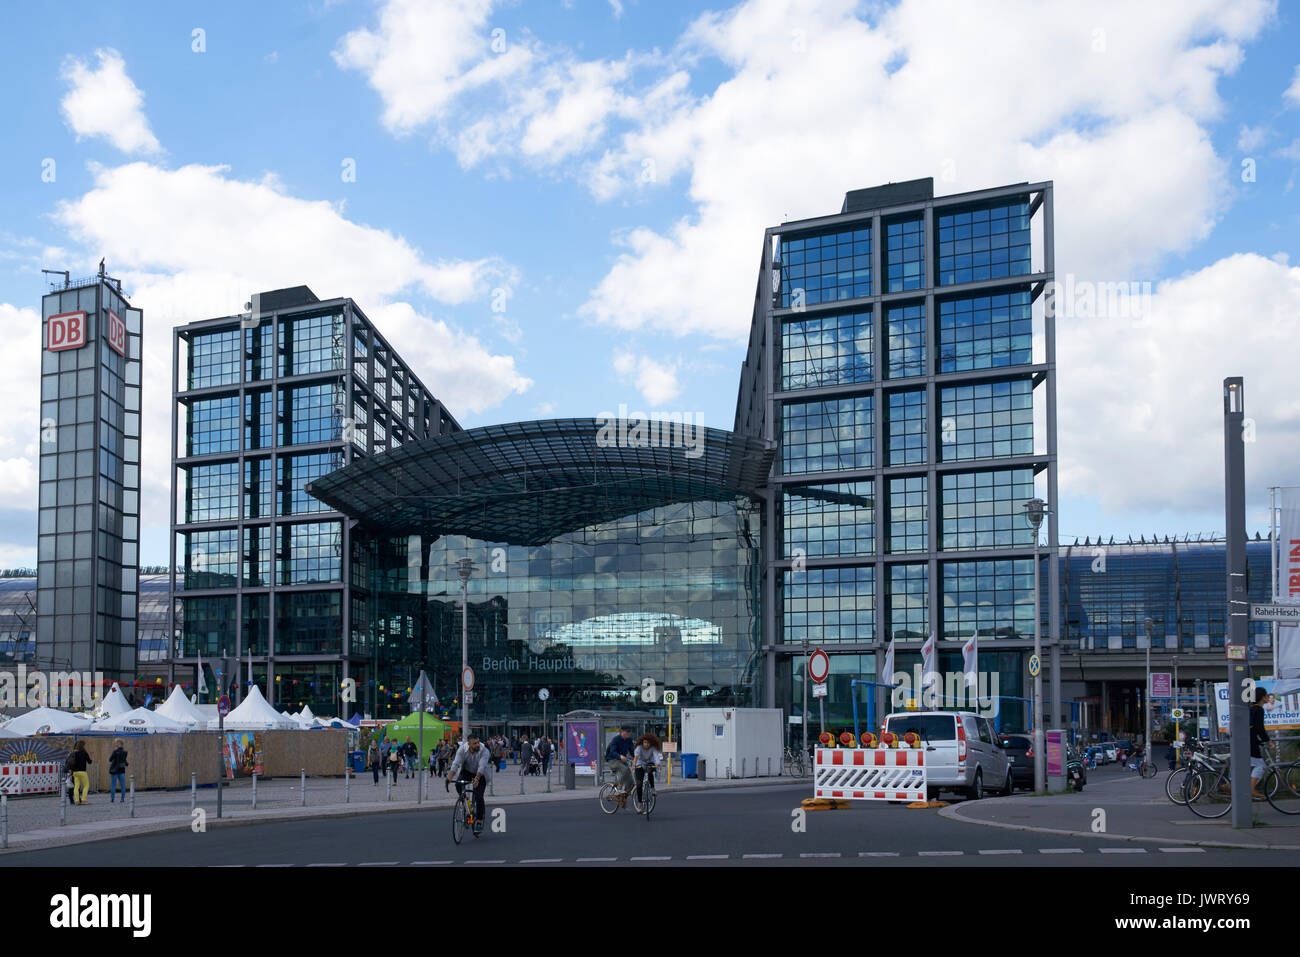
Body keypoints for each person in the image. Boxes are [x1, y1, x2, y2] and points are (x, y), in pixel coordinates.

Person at [448, 733, 493, 835]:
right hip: (467, 771)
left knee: (478, 796)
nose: (477, 745)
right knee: (458, 784)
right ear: (469, 744)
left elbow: (481, 766)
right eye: (474, 743)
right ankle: (465, 803)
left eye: (478, 742)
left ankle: (479, 821)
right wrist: (449, 778)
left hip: (481, 774)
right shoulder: (462, 750)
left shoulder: (484, 750)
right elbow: (456, 763)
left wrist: (477, 778)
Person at [1250, 688, 1272, 799]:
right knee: (1261, 766)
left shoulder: (1252, 709)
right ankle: (1251, 789)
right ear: (1262, 697)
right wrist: (1268, 741)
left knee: (1246, 767)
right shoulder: (1259, 709)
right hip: (1250, 743)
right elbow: (1259, 728)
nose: (1268, 697)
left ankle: (1230, 786)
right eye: (1267, 695)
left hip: (1246, 741)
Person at [605, 726, 635, 805]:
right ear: (622, 731)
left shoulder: (629, 740)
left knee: (631, 781)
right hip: (613, 760)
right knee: (625, 770)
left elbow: (632, 752)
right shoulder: (616, 739)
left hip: (622, 761)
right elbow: (612, 751)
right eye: (627, 731)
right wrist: (620, 756)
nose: (628, 733)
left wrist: (637, 758)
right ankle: (619, 786)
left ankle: (624, 795)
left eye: (629, 732)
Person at [633, 732, 663, 806]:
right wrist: (634, 765)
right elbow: (636, 757)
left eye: (648, 743)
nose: (646, 744)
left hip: (649, 762)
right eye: (645, 742)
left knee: (650, 770)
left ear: (651, 743)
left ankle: (652, 788)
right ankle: (639, 803)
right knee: (639, 784)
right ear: (642, 742)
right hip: (640, 763)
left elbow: (656, 756)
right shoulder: (639, 747)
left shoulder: (652, 748)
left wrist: (658, 764)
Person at [68, 740, 93, 806]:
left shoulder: (74, 753)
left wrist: (71, 770)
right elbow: (90, 762)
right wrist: (91, 756)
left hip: (75, 772)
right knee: (86, 785)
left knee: (76, 786)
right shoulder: (84, 753)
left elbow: (70, 762)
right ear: (83, 746)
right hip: (82, 772)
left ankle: (77, 801)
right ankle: (83, 800)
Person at [108, 739, 128, 803]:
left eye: (116, 742)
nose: (115, 743)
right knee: (122, 785)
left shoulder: (115, 751)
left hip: (114, 770)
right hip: (122, 770)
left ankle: (112, 799)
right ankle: (122, 799)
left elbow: (110, 759)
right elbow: (124, 761)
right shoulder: (125, 752)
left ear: (119, 743)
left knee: (113, 785)